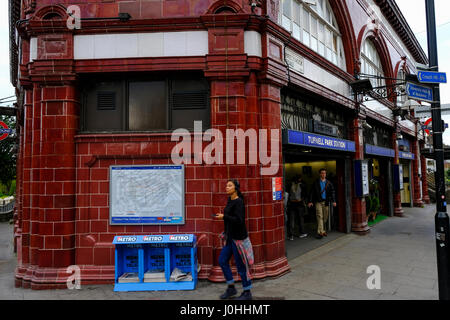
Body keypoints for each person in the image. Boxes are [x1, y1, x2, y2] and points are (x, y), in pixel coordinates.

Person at [213, 180, 254, 300]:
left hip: (238, 240)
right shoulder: (230, 200)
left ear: (236, 188)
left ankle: (247, 292)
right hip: (230, 238)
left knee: (241, 267)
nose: (226, 187)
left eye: (229, 185)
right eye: (226, 185)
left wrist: (224, 216)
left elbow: (239, 220)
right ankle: (231, 288)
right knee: (222, 260)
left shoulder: (239, 202)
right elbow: (230, 219)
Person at [308, 168, 336, 239]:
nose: (323, 174)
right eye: (322, 173)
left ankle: (323, 230)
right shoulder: (316, 182)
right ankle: (320, 232)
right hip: (318, 202)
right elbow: (312, 192)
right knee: (319, 216)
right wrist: (310, 201)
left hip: (326, 202)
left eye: (325, 173)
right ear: (320, 174)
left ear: (326, 174)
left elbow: (332, 192)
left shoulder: (329, 183)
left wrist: (334, 201)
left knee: (325, 217)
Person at [287, 175, 308, 240]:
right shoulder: (302, 185)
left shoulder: (289, 185)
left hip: (292, 203)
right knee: (300, 219)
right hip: (299, 203)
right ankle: (302, 233)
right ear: (299, 179)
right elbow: (305, 194)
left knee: (291, 220)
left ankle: (291, 235)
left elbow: (287, 193)